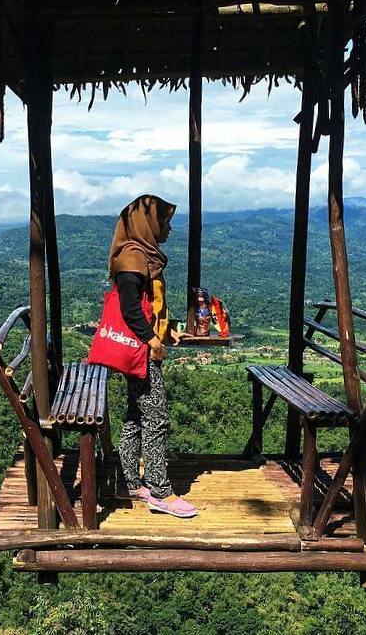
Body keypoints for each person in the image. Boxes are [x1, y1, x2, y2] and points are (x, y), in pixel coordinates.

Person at [109, 195, 197, 519]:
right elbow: (130, 308)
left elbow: (148, 305)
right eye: (165, 221)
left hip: (143, 349)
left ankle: (131, 481)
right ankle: (160, 492)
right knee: (157, 418)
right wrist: (151, 340)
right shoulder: (133, 257)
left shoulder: (141, 255)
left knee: (135, 416)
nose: (169, 228)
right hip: (141, 353)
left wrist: (167, 330)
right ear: (148, 223)